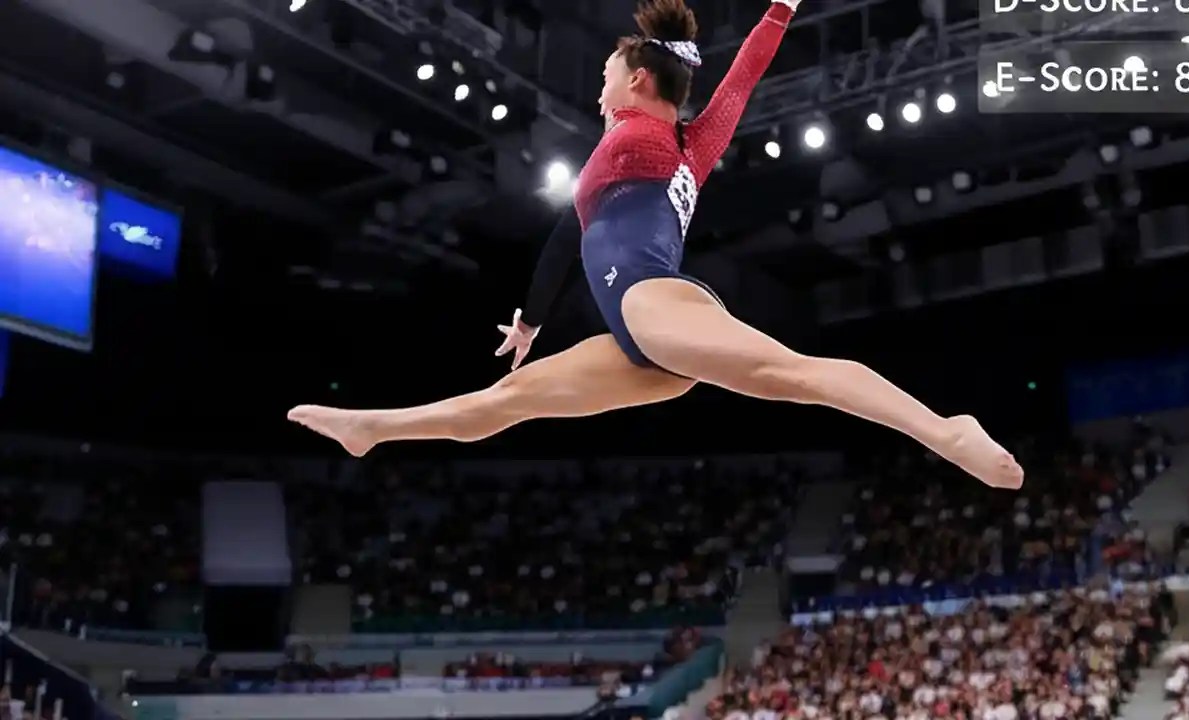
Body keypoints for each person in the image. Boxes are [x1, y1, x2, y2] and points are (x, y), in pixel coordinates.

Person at [288, 0, 1024, 491]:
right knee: (507, 401)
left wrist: (537, 316)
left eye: (608, 72)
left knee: (792, 373)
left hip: (653, 304)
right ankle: (370, 429)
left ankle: (945, 429)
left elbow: (565, 232)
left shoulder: (631, 139)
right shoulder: (685, 144)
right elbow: (739, 82)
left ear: (636, 80)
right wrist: (780, 9)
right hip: (644, 340)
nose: (600, 84)